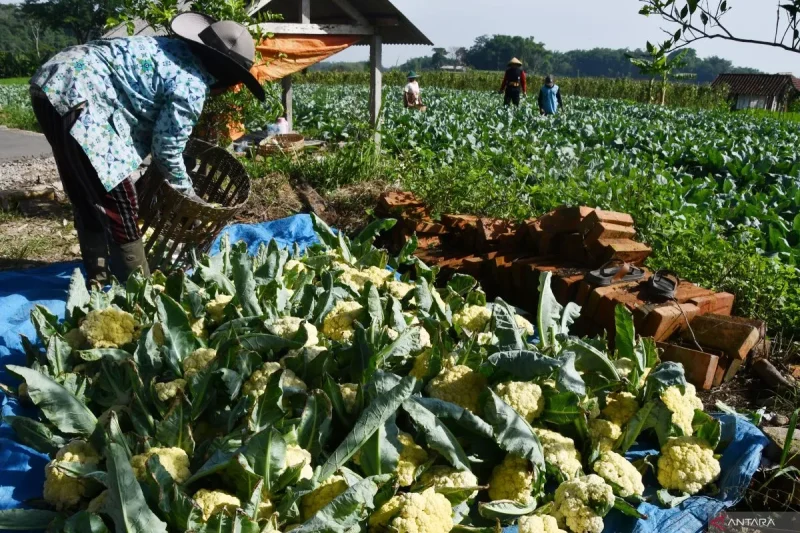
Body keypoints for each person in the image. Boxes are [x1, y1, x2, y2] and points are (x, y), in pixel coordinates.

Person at [28, 12, 265, 283]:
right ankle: (139, 293)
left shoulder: (169, 47)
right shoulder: (192, 84)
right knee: (120, 203)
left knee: (85, 191)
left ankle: (98, 278)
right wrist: (191, 200)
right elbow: (166, 150)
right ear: (224, 76)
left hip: (52, 82)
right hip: (81, 95)